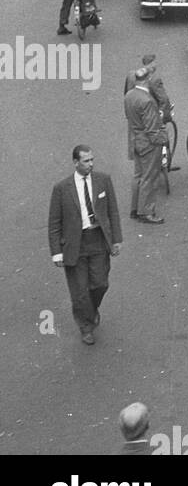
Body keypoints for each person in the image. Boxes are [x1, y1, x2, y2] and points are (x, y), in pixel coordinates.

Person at [48, 145, 122, 345]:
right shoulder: (61, 189)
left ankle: (90, 310)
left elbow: (112, 211)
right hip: (75, 245)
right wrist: (56, 253)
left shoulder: (103, 180)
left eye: (92, 160)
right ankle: (86, 326)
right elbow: (54, 222)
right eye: (86, 161)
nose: (91, 164)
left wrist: (116, 239)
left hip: (98, 239)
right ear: (75, 163)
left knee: (100, 284)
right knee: (80, 292)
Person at [124, 68, 166, 224]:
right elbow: (152, 129)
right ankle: (146, 211)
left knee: (138, 175)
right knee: (150, 177)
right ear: (147, 80)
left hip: (135, 140)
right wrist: (162, 137)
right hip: (148, 144)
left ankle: (135, 208)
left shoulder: (129, 95)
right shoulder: (147, 100)